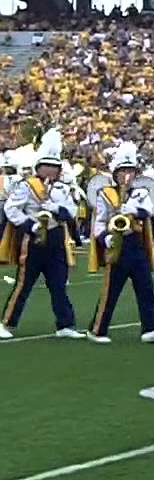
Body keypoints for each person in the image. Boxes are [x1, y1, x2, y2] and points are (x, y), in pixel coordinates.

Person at [0, 129, 83, 340]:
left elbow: (70, 212)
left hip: (56, 238)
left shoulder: (63, 188)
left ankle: (65, 324)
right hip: (33, 238)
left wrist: (52, 207)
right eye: (47, 166)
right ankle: (7, 323)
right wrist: (30, 225)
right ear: (39, 167)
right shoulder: (26, 186)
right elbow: (11, 209)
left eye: (54, 167)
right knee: (24, 284)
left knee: (58, 284)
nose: (51, 170)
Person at [86, 141, 154, 344]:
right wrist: (106, 238)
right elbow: (99, 223)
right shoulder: (106, 194)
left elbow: (150, 210)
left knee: (145, 286)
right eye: (123, 171)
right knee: (111, 290)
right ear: (115, 173)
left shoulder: (141, 192)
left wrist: (132, 209)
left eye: (131, 171)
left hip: (135, 242)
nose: (127, 175)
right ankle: (97, 330)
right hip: (115, 242)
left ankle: (152, 327)